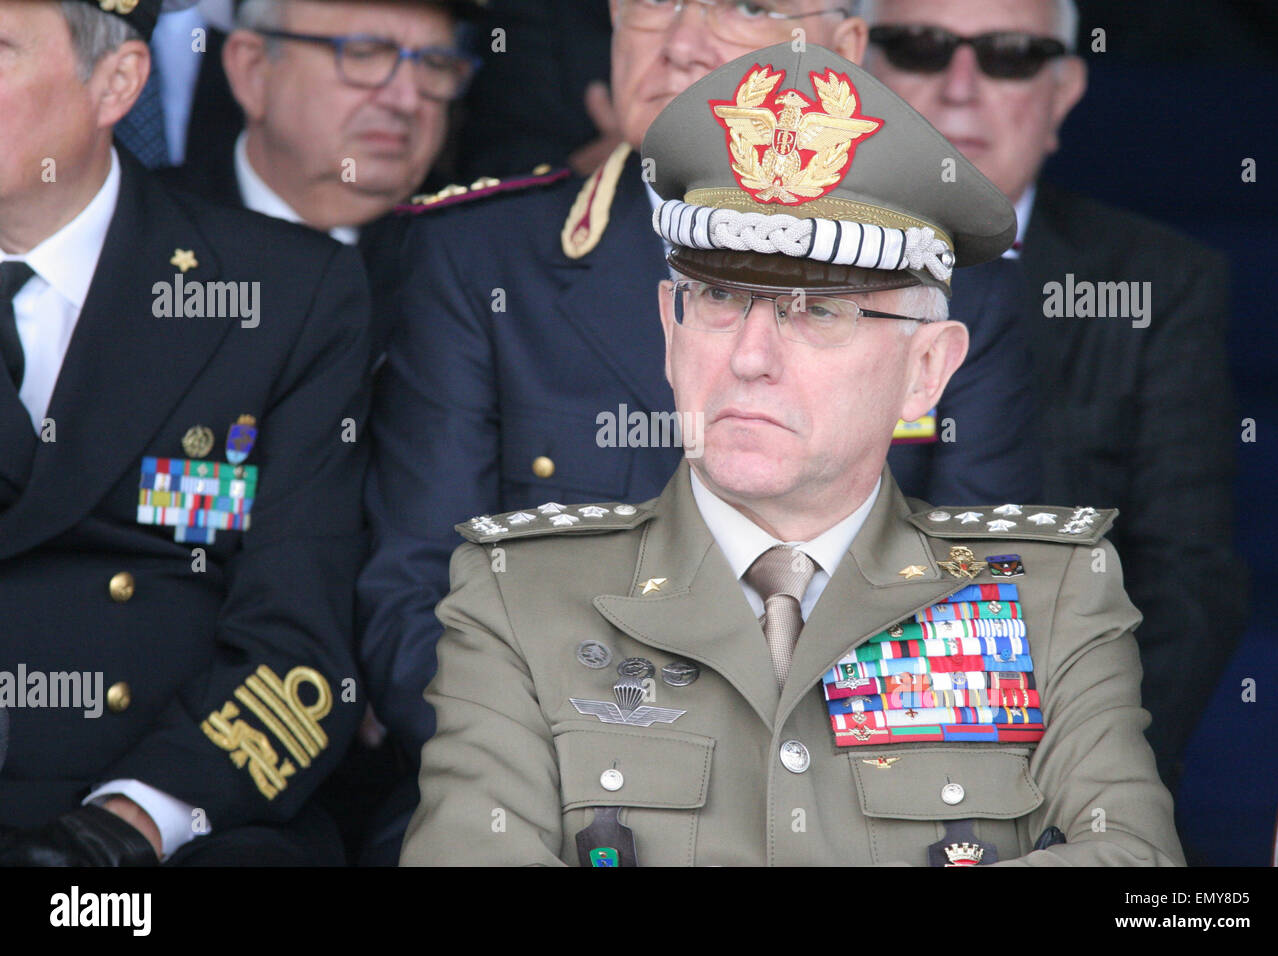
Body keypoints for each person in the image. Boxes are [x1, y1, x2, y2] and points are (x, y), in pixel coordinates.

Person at [399, 42, 1183, 867]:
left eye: (818, 313)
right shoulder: (518, 597)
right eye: (723, 297)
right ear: (670, 332)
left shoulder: (1051, 600)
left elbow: (1140, 871)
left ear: (927, 370)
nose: (749, 356)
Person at [362, 0, 1040, 790]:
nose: (682, 44)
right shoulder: (478, 259)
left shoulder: (958, 293)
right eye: (651, 1)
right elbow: (418, 611)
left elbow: (971, 620)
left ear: (846, 47)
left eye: (748, 7)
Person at [0, 0, 370, 866]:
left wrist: (132, 822)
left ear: (116, 83)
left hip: (153, 811)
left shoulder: (280, 294)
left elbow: (299, 647)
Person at [862, 0, 1245, 792]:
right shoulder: (755, 266)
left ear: (1065, 88)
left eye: (1008, 55)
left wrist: (1063, 786)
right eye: (920, 47)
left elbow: (1186, 586)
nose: (961, 86)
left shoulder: (1157, 283)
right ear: (859, 63)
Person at [164, 0, 481, 360]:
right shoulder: (141, 232)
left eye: (435, 64)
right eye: (364, 54)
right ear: (252, 69)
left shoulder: (476, 258)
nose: (406, 100)